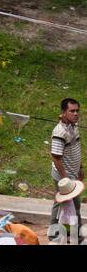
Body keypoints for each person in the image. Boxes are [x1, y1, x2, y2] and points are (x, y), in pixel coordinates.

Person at [50, 97, 83, 232]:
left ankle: (70, 233)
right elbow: (56, 158)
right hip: (63, 177)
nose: (75, 114)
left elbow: (76, 148)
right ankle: (74, 234)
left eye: (77, 111)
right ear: (64, 112)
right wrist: (65, 180)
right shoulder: (60, 132)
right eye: (72, 111)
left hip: (73, 174)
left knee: (69, 205)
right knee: (67, 206)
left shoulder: (73, 126)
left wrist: (81, 167)